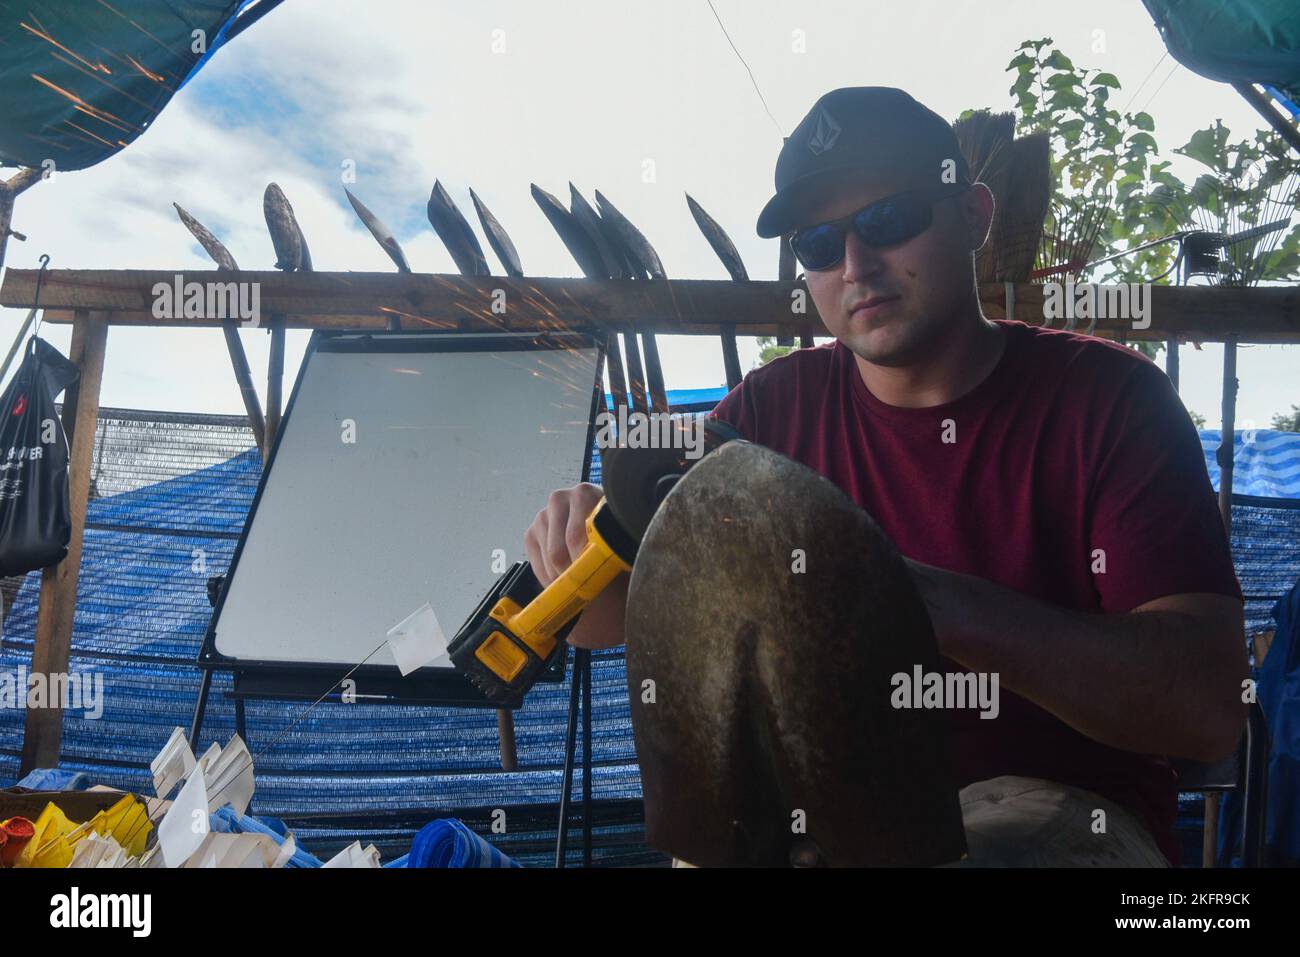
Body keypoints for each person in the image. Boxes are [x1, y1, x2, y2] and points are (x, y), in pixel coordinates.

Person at [524, 87, 1247, 866]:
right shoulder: (766, 416)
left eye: (888, 220)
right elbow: (616, 615)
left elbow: (1206, 709)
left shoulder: (1109, 400)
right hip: (821, 815)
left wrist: (907, 597)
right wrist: (579, 552)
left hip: (1063, 809)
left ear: (973, 215)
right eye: (819, 243)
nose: (856, 265)